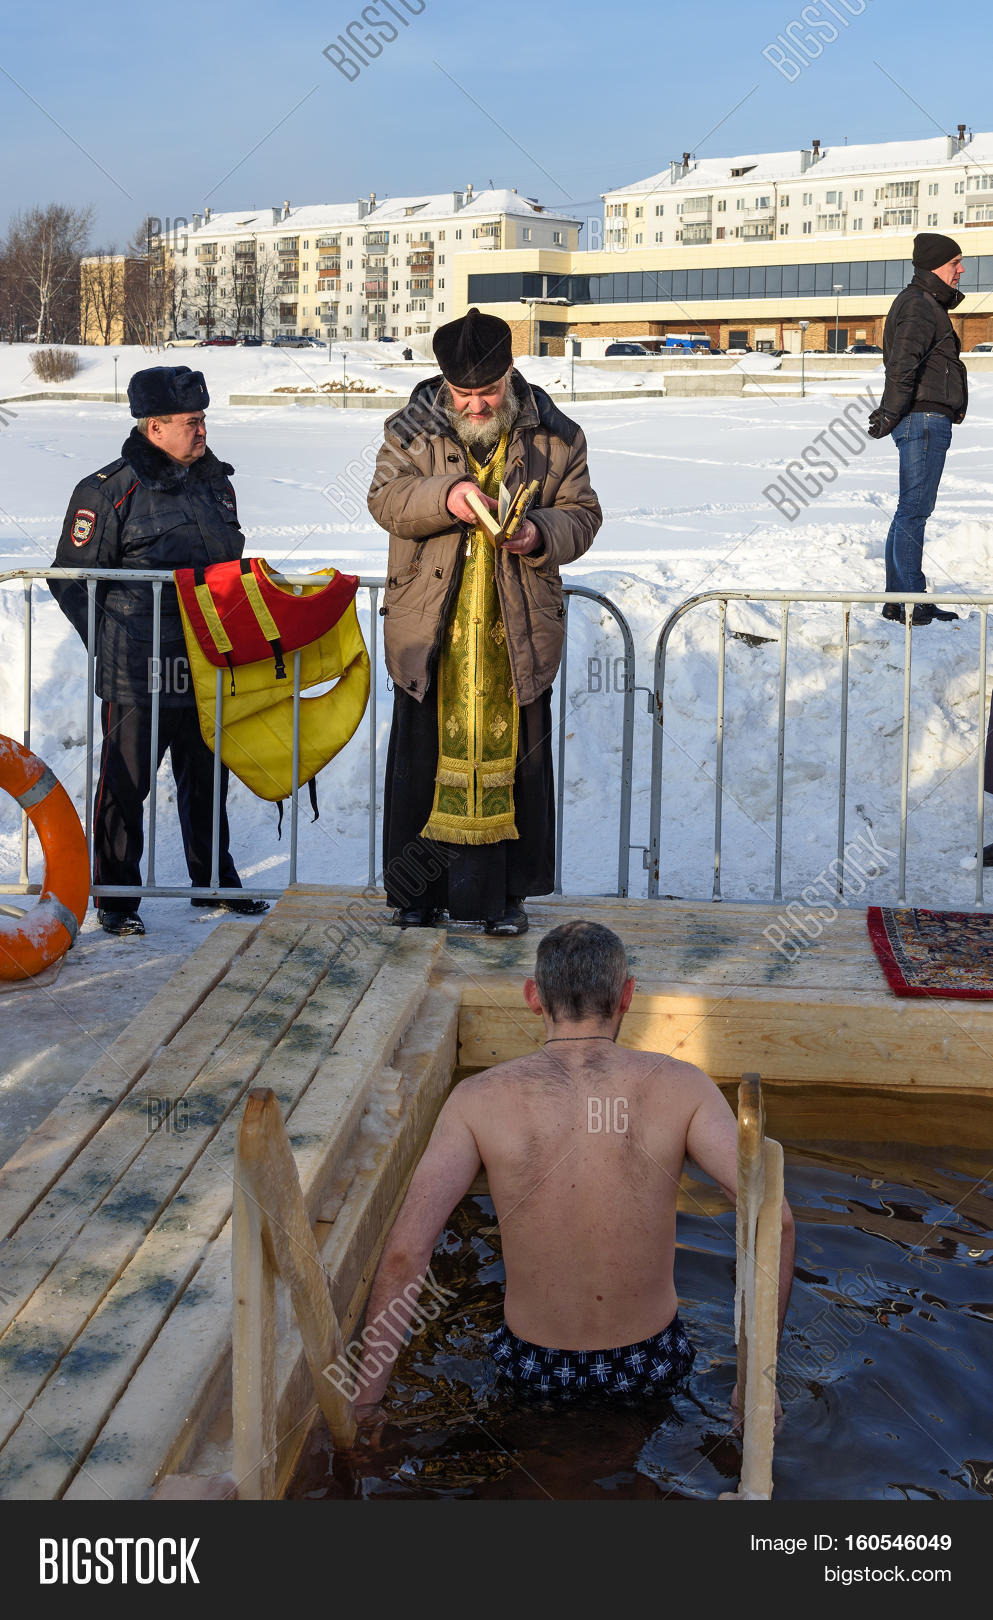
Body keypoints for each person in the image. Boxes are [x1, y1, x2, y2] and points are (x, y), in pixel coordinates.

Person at [351, 920, 795, 1415]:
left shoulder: (475, 1100)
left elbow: (405, 1255)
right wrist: (757, 1381)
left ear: (533, 997)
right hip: (648, 1360)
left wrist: (368, 1402)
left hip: (532, 1364)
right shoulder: (682, 1087)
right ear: (627, 996)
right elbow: (772, 1218)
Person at [368, 309, 602, 936]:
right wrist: (444, 496)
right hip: (432, 630)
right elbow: (384, 499)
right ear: (444, 384)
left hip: (515, 630)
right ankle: (416, 897)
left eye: (488, 391)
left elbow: (582, 515)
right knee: (424, 764)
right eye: (463, 394)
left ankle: (503, 898)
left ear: (511, 374)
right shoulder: (410, 428)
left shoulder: (557, 435)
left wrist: (537, 532)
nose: (475, 405)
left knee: (517, 769)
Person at [50, 366, 269, 936]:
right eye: (192, 422)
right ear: (155, 428)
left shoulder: (216, 480)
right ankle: (118, 898)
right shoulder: (107, 490)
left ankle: (214, 882)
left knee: (207, 778)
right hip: (139, 671)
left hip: (206, 663)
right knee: (126, 783)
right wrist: (113, 644)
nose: (203, 431)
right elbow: (70, 580)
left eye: (203, 420)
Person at [868, 233, 968, 627]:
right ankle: (910, 601)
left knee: (909, 510)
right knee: (914, 511)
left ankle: (900, 598)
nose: (961, 270)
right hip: (923, 420)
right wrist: (891, 412)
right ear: (933, 266)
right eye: (955, 263)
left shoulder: (923, 303)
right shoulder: (920, 306)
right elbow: (903, 365)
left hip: (922, 418)